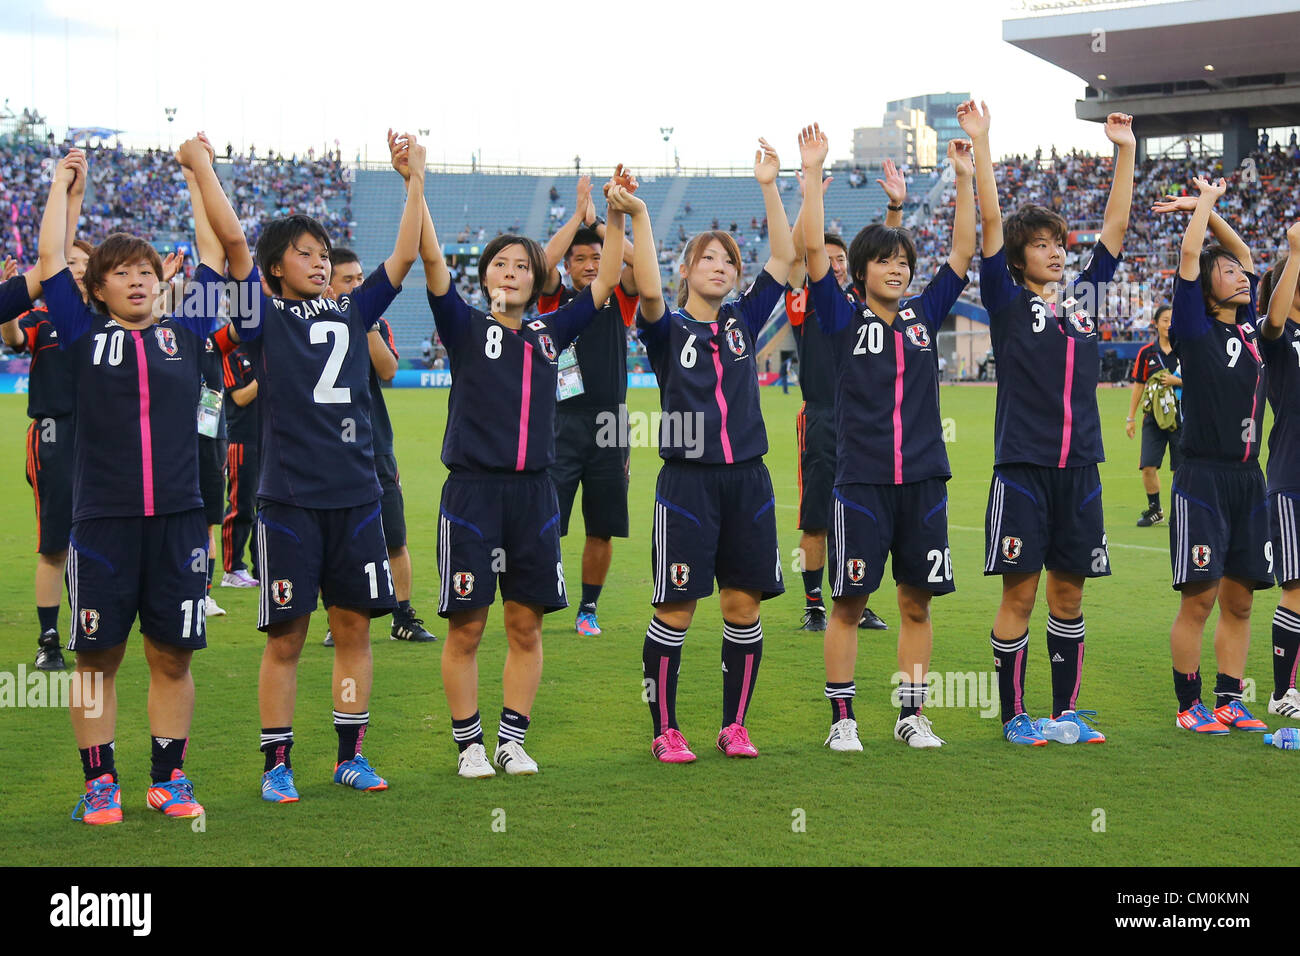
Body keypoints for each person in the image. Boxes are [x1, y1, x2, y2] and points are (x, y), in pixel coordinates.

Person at [190, 129, 426, 801]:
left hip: (356, 497)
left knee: (353, 631)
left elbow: (405, 256)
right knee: (287, 637)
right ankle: (277, 764)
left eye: (324, 254)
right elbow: (235, 244)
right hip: (290, 501)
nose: (320, 263)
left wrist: (414, 179)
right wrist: (203, 167)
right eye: (305, 254)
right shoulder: (261, 314)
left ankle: (350, 754)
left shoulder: (353, 309)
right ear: (275, 268)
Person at [421, 161, 626, 777]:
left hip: (534, 496)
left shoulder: (548, 330)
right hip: (472, 496)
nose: (509, 272)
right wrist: (416, 185)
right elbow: (431, 262)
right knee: (467, 626)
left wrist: (614, 214)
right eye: (499, 264)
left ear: (537, 278)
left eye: (521, 265)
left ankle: (512, 739)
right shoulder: (462, 325)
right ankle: (469, 746)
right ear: (483, 277)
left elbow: (607, 278)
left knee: (525, 625)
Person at [39, 149, 219, 824]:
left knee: (173, 655)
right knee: (97, 657)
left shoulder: (188, 330)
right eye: (122, 272)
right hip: (104, 524)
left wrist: (197, 174)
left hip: (178, 522)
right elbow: (54, 258)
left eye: (146, 270)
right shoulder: (83, 335)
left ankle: (169, 778)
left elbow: (209, 255)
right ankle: (100, 783)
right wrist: (62, 184)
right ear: (101, 289)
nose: (139, 280)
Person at [961, 101, 1135, 746]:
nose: (1057, 253)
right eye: (1042, 245)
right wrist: (983, 143)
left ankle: (1064, 713)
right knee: (1022, 595)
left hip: (1081, 470)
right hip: (1025, 470)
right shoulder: (1006, 303)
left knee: (1070, 596)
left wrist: (1125, 151)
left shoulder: (1082, 305)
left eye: (1060, 244)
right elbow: (989, 220)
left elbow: (1114, 230)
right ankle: (1014, 716)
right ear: (1018, 258)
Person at [800, 123, 975, 751]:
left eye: (904, 262)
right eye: (885, 261)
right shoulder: (841, 317)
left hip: (924, 480)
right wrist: (813, 176)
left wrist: (961, 174)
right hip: (863, 482)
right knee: (848, 604)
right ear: (863, 270)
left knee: (918, 605)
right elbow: (817, 259)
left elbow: (962, 252)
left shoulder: (925, 313)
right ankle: (843, 719)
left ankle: (911, 713)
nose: (898, 270)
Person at [629, 138, 794, 763]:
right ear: (687, 270)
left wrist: (769, 186)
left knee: (743, 605)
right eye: (708, 258)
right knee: (675, 610)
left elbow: (783, 254)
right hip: (688, 487)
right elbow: (645, 288)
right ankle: (665, 729)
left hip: (749, 482)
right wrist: (641, 217)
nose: (721, 265)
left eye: (728, 258)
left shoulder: (744, 322)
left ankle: (734, 726)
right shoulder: (668, 328)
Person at [1155, 178, 1271, 735]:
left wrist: (1214, 208)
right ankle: (1189, 706)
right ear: (1205, 290)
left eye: (1241, 275)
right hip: (1201, 479)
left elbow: (1245, 255)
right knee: (1199, 601)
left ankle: (1230, 700)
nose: (1241, 276)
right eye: (1226, 274)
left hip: (1250, 480)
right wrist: (1200, 208)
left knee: (1242, 602)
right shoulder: (1194, 327)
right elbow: (1189, 254)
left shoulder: (1250, 328)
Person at [786, 163, 907, 634]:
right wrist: (808, 197)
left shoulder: (862, 306)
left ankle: (856, 600)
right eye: (828, 259)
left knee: (861, 517)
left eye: (842, 261)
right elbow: (798, 256)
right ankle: (814, 603)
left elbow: (885, 254)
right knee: (816, 518)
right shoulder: (807, 303)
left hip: (865, 422)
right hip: (821, 417)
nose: (834, 265)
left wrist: (894, 208)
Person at [539, 174, 639, 637]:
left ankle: (588, 609)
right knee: (546, 521)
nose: (588, 264)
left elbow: (636, 264)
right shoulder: (554, 299)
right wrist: (577, 219)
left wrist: (603, 226)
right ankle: (540, 595)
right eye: (580, 258)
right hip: (558, 421)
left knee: (602, 527)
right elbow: (542, 263)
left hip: (610, 425)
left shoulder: (619, 296)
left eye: (597, 258)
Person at [324, 246, 436, 644]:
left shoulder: (376, 324)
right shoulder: (312, 325)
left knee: (395, 535)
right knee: (336, 538)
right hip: (329, 449)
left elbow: (387, 370)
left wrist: (366, 322)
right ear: (327, 285)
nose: (357, 285)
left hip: (375, 445)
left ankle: (402, 616)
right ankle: (337, 618)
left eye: (360, 278)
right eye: (348, 280)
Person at [0, 230, 89, 672]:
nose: (76, 268)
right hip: (54, 435)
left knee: (94, 538)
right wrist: (12, 301)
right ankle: (49, 640)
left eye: (83, 264)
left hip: (102, 442)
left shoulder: (106, 322)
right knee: (55, 546)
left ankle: (88, 627)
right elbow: (14, 338)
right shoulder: (41, 317)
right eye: (69, 262)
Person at [1259, 224, 1300, 721]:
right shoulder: (1277, 338)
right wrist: (1294, 252)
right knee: (1296, 589)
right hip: (1291, 479)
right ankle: (1281, 692)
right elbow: (1274, 317)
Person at [1125, 305, 1183, 526]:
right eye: (1165, 320)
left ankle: (1179, 510)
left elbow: (1201, 380)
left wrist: (1177, 381)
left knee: (1181, 469)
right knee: (1148, 465)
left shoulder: (1186, 350)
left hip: (1181, 418)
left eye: (1172, 320)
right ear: (1156, 323)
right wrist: (1130, 418)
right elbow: (1139, 386)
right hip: (1152, 418)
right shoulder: (1146, 352)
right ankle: (1155, 509)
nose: (1169, 325)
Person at [220, 339, 260, 587]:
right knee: (240, 506)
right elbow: (241, 398)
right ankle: (232, 569)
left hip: (269, 437)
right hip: (242, 440)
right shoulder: (230, 354)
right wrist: (266, 376)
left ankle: (262, 565)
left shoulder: (264, 348)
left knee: (266, 507)